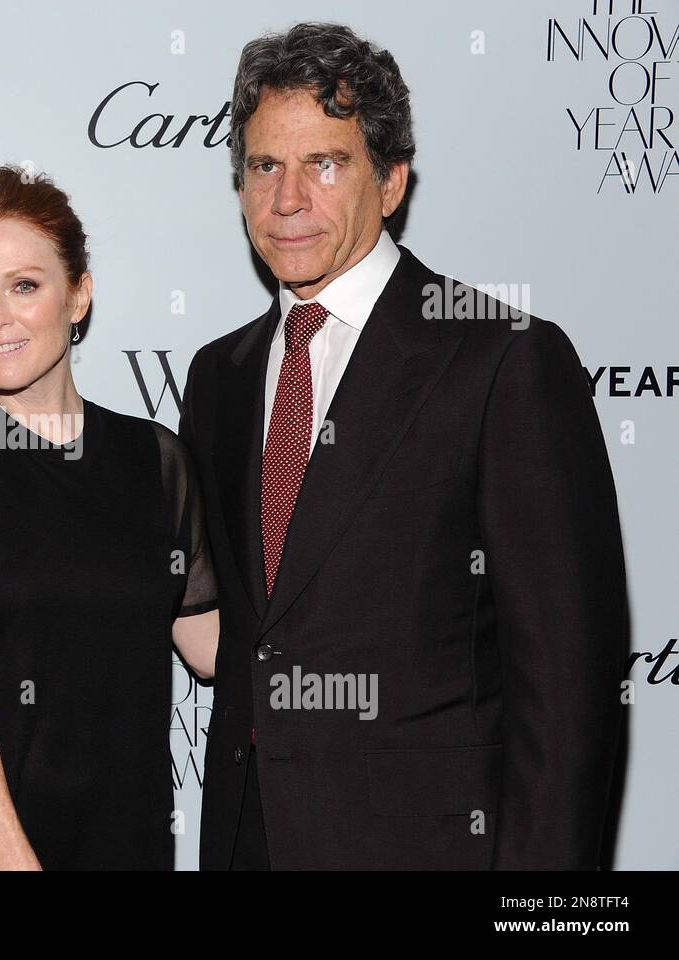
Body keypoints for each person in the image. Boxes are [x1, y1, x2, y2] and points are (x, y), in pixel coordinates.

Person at [182, 22, 628, 870]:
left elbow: (570, 692)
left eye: (325, 163)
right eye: (264, 165)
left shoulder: (502, 359)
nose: (286, 199)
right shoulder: (220, 377)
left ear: (390, 181)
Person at [0, 166, 220, 870]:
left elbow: (210, 648)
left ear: (79, 296)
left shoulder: (155, 458)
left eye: (24, 285)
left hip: (123, 836)